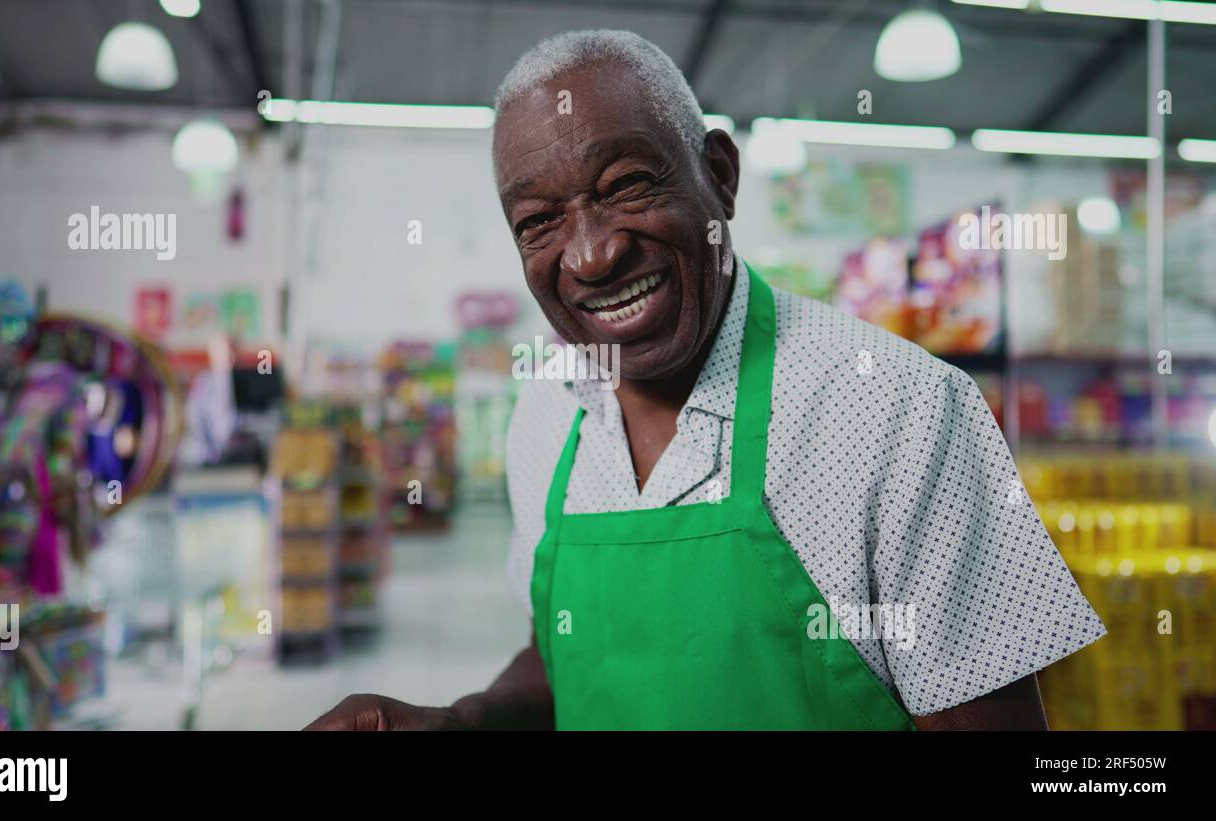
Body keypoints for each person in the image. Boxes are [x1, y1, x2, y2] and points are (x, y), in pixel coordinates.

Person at [307, 29, 1104, 731]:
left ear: (718, 173)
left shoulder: (897, 407)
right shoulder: (545, 415)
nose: (590, 255)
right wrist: (463, 720)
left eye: (625, 185)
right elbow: (566, 649)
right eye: (539, 221)